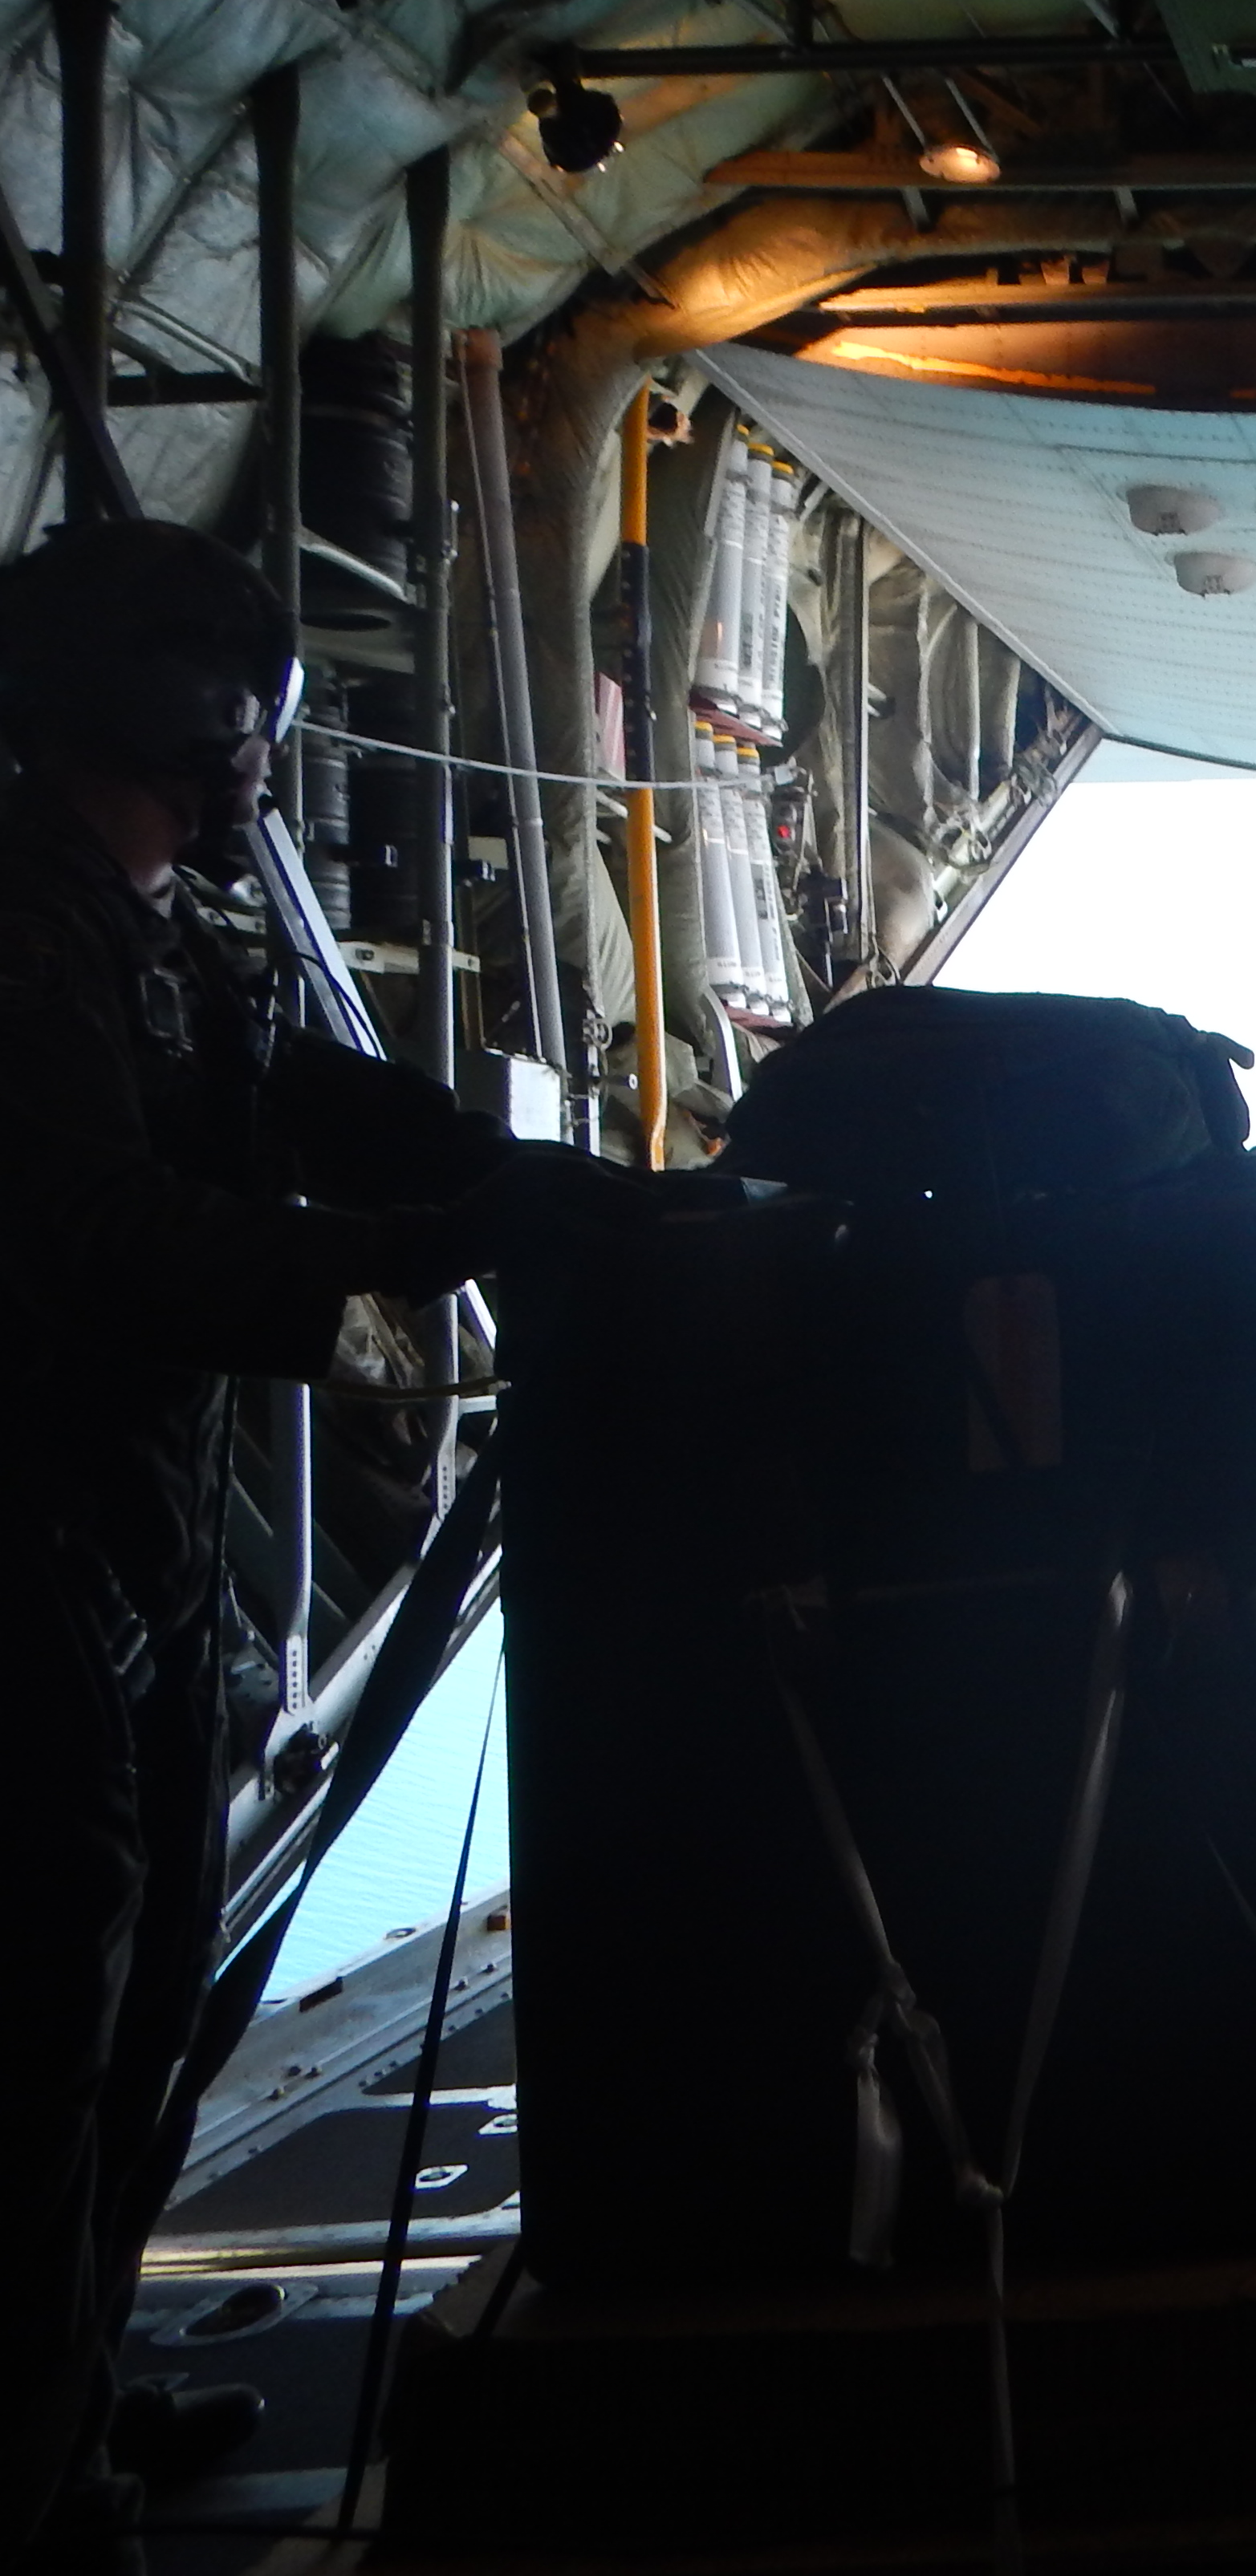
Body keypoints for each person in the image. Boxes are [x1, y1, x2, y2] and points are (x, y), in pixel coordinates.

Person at [0, 521, 603, 2576]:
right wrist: (404, 1259)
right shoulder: (27, 935)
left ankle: (66, 2414)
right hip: (34, 1549)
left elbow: (301, 1098)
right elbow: (101, 1236)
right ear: (184, 716)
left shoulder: (149, 924)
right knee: (55, 2021)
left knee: (149, 1987)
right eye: (247, 707)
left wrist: (523, 1184)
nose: (271, 744)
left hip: (132, 1546)